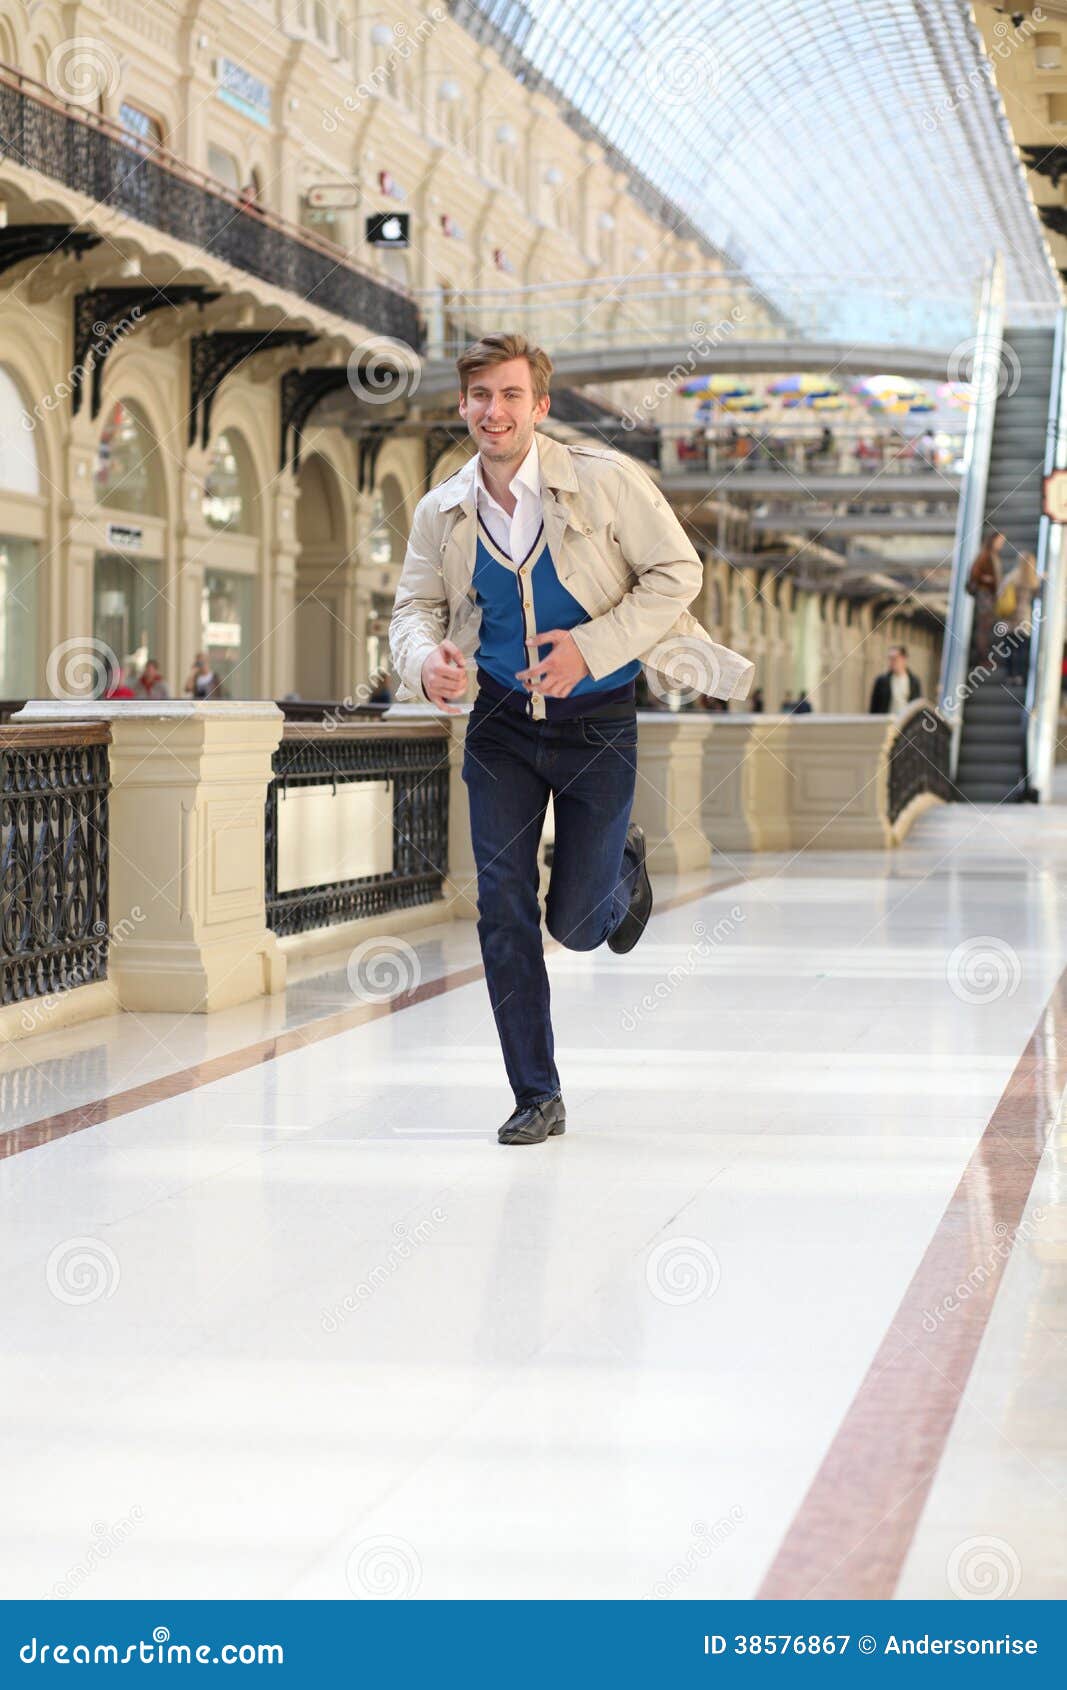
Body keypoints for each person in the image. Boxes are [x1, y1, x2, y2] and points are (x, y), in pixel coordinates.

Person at [390, 331, 753, 1147]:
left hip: (597, 722)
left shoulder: (606, 481)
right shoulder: (442, 510)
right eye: (480, 396)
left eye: (511, 395)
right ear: (463, 405)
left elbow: (676, 573)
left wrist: (590, 648)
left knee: (580, 925)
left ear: (540, 406)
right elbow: (414, 607)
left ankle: (620, 861)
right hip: (499, 728)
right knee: (502, 908)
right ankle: (536, 1094)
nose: (494, 411)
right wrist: (424, 661)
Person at [997, 551, 1043, 685]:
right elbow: (1038, 595)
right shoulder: (1032, 580)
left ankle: (1009, 675)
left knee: (1009, 649)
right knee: (1021, 649)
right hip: (1023, 619)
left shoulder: (1011, 577)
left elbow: (1000, 594)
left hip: (1009, 618)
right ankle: (1019, 675)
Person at [967, 530, 1004, 666]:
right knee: (984, 628)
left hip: (990, 596)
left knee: (987, 627)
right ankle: (982, 657)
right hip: (985, 596)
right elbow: (975, 575)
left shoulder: (993, 556)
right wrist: (987, 580)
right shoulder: (985, 556)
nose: (1001, 544)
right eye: (1000, 541)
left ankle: (984, 655)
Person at [869, 645, 921, 716]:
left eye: (895, 659)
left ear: (904, 659)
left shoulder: (914, 682)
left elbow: (917, 706)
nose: (892, 662)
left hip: (906, 720)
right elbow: (874, 708)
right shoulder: (881, 681)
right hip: (886, 720)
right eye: (890, 659)